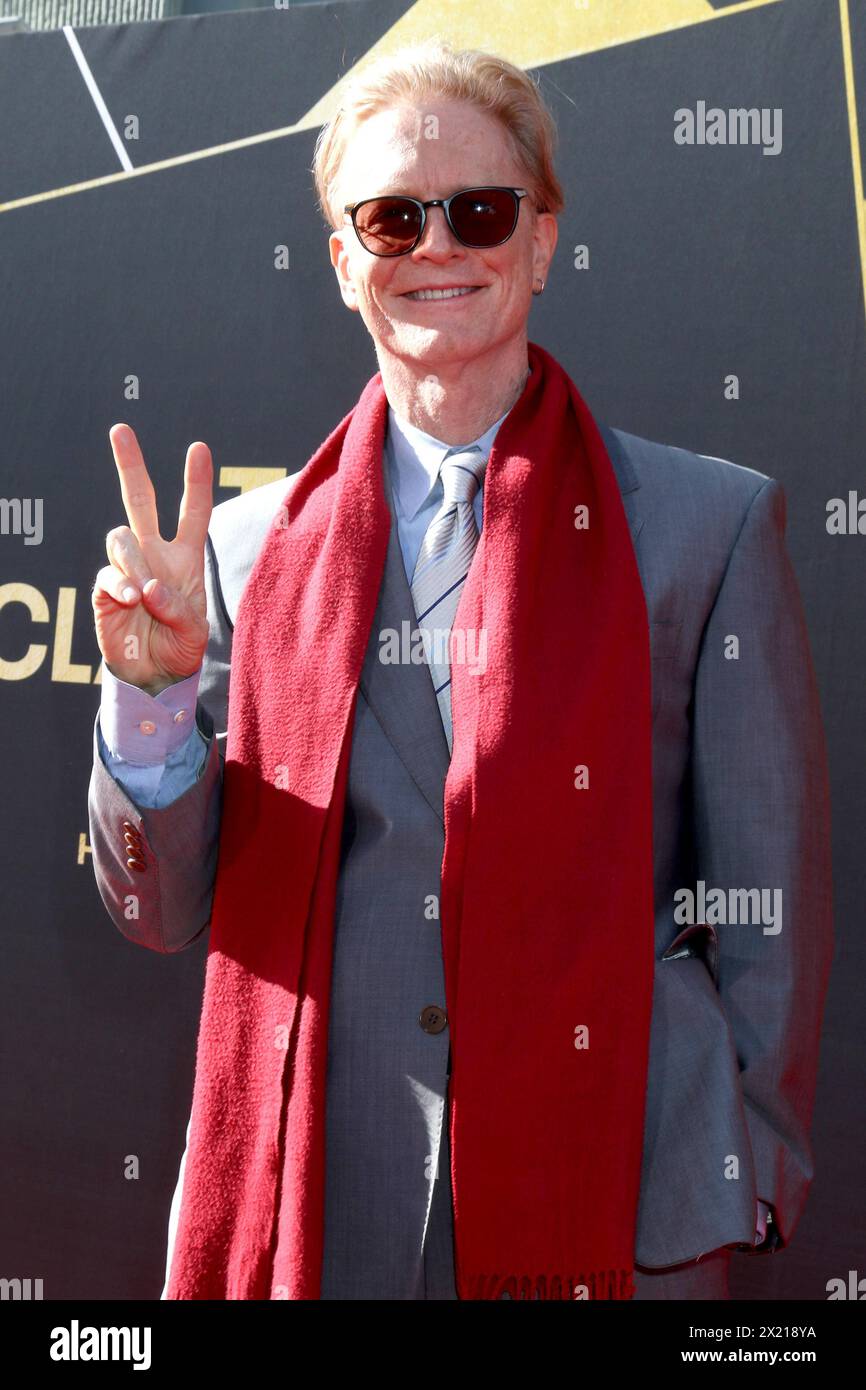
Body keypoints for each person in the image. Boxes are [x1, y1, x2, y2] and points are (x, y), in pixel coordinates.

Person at [88, 40, 833, 1301]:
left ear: (540, 243)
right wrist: (154, 698)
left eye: (478, 212)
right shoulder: (241, 551)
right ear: (343, 264)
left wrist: (740, 1156)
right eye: (389, 218)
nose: (436, 248)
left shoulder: (705, 526)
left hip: (611, 1198)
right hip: (321, 1195)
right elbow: (165, 915)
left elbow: (771, 895)